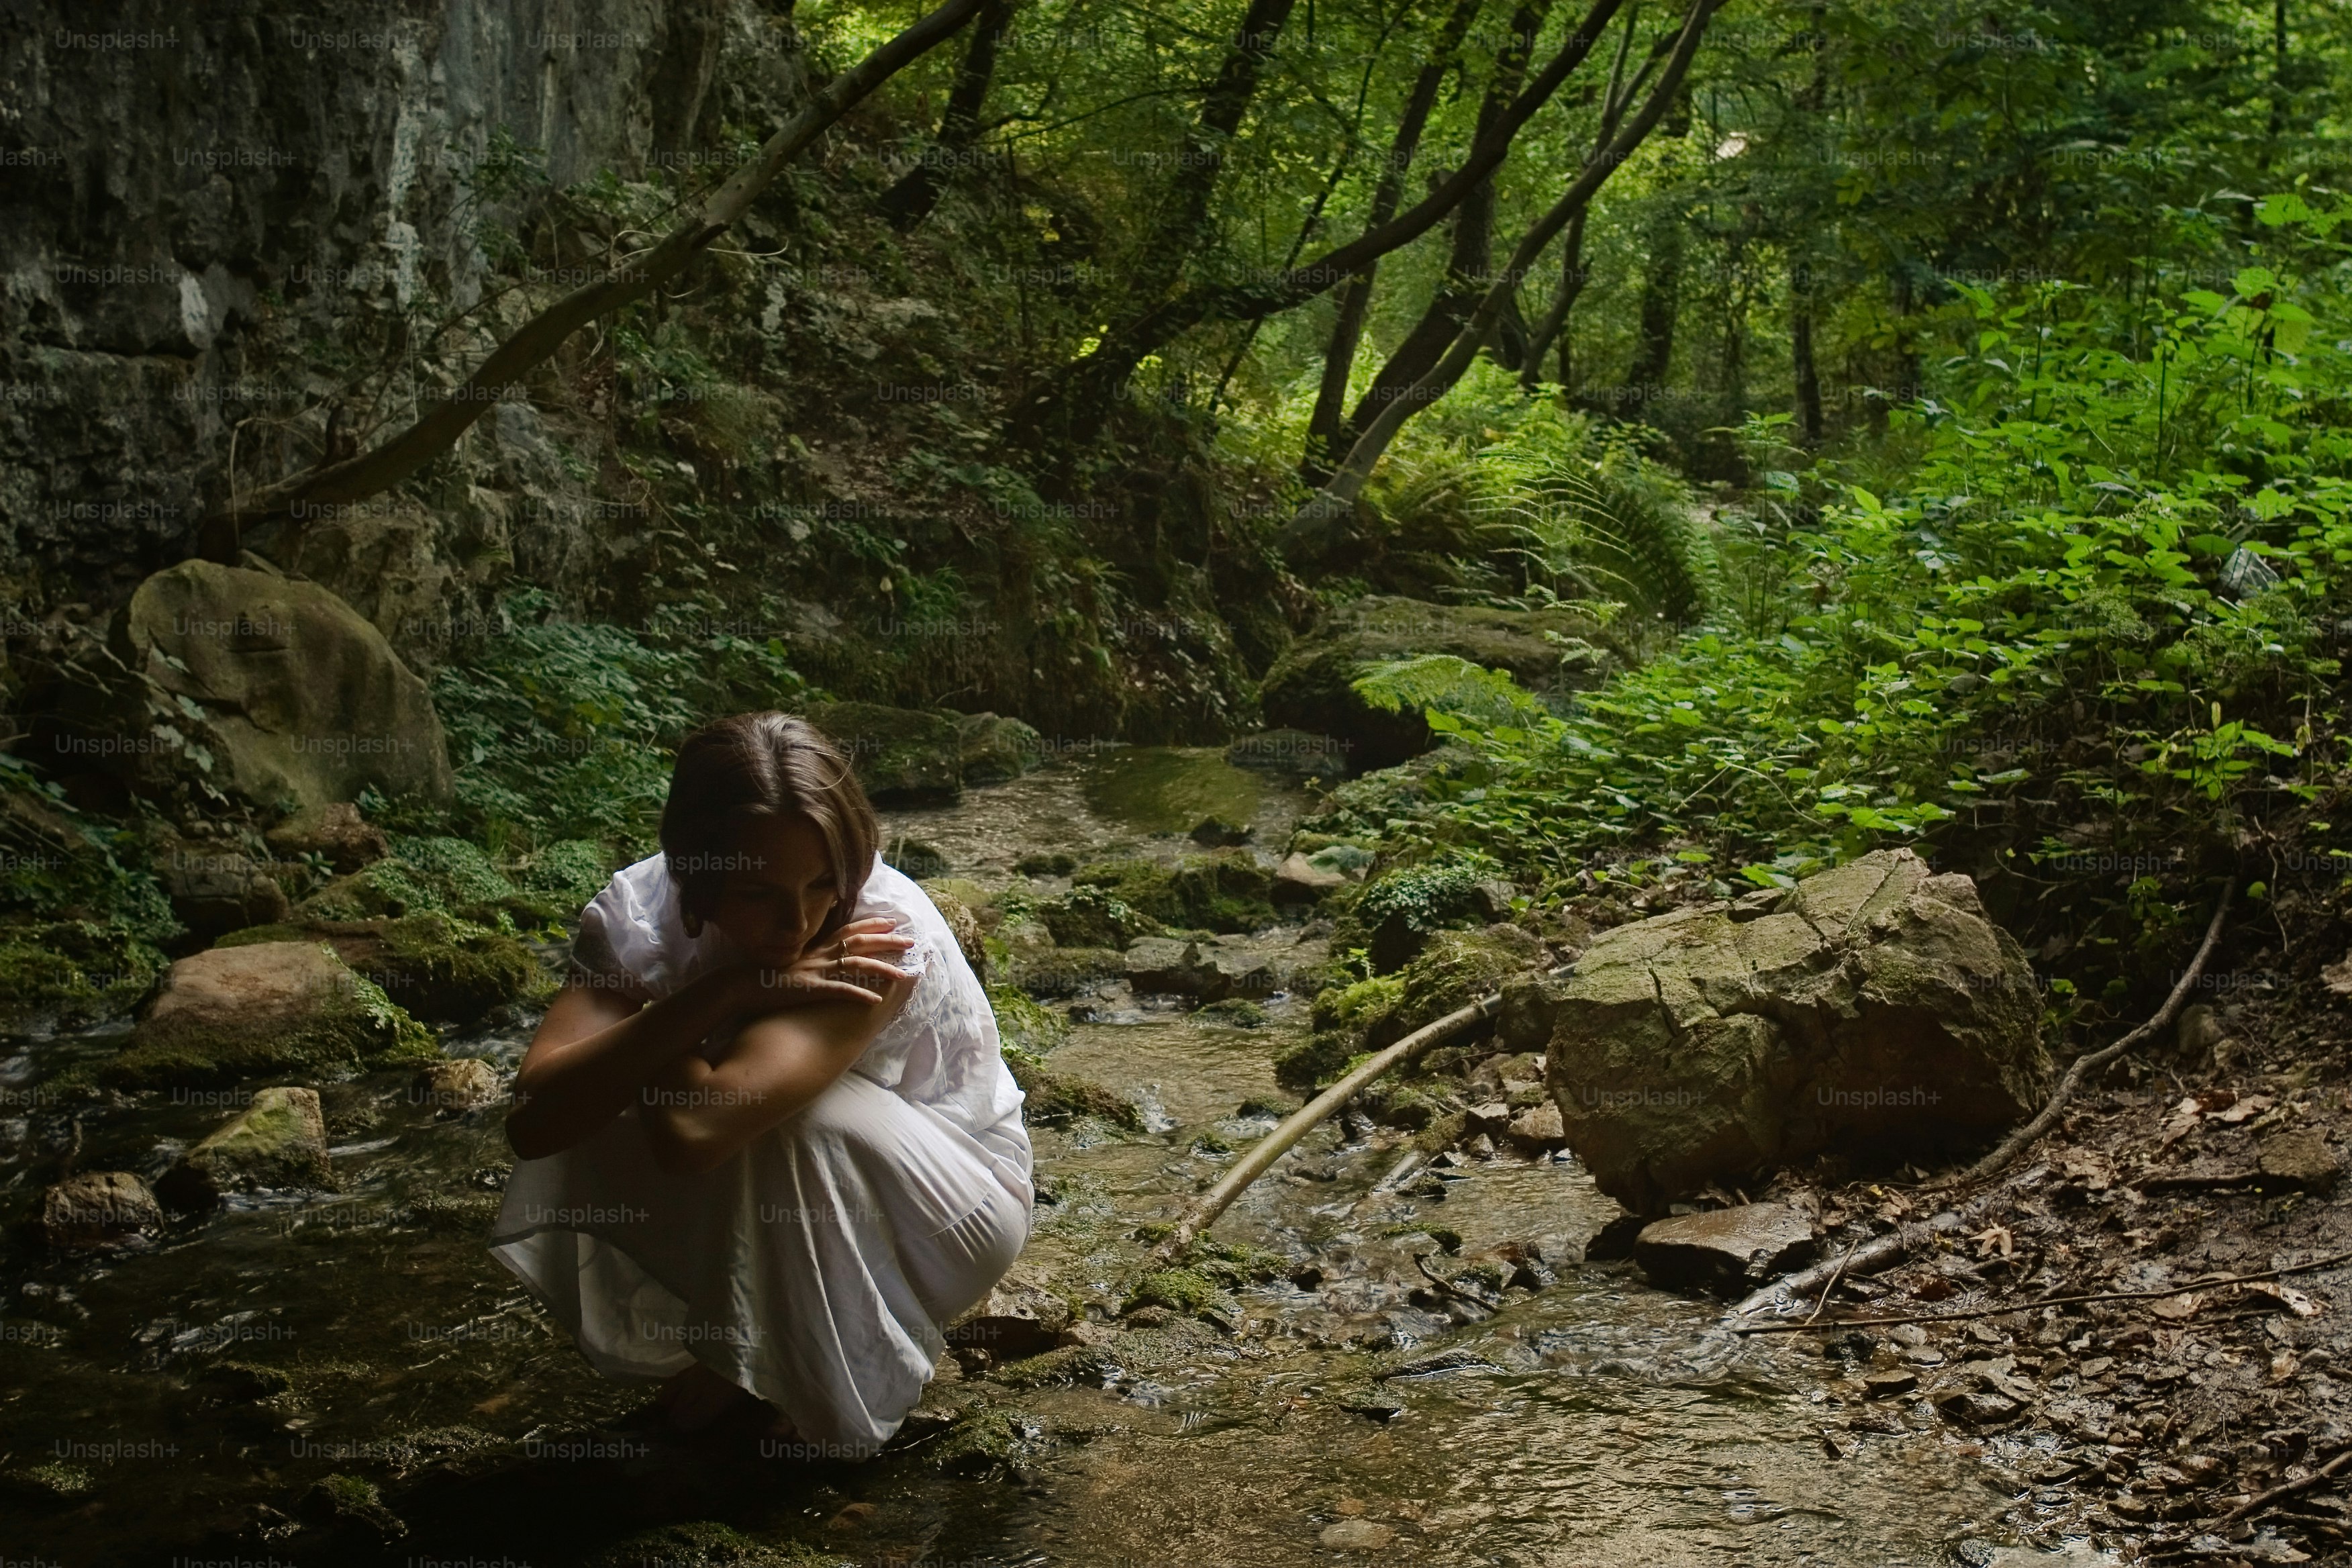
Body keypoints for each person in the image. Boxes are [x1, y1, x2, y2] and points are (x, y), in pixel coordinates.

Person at [489, 712, 1032, 1453]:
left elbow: (694, 1130)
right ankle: (741, 1344)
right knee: (603, 1091)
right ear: (692, 868)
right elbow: (536, 1121)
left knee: (784, 1114)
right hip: (800, 1187)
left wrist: (664, 1014)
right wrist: (724, 992)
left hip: (951, 1210)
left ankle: (801, 1384)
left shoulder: (879, 931)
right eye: (757, 893)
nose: (799, 923)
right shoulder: (641, 910)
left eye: (822, 883)